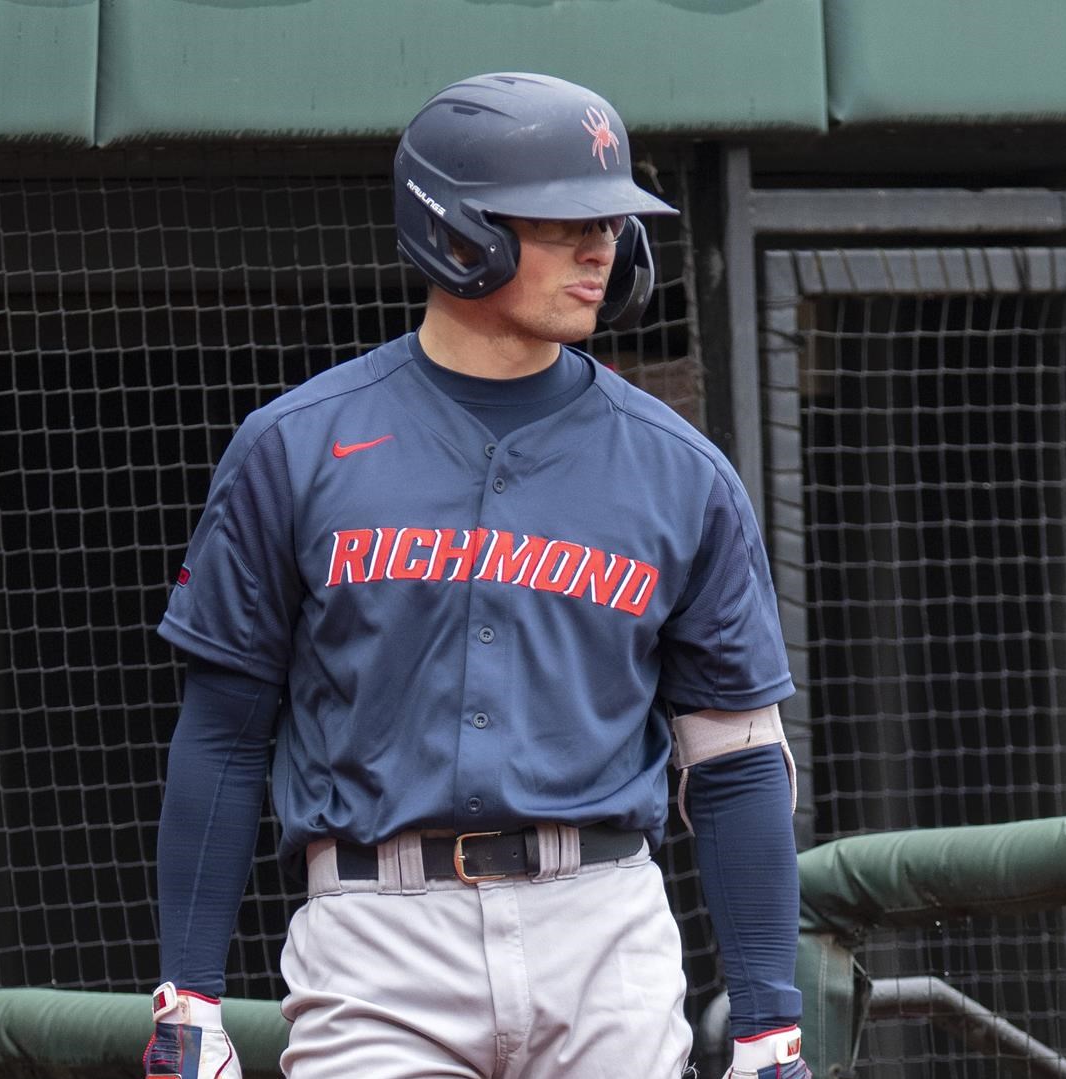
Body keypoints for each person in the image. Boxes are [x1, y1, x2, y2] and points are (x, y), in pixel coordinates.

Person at [142, 72, 811, 1079]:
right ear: (454, 229)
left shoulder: (680, 470)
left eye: (613, 224)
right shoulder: (293, 445)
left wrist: (767, 1020)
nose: (602, 248)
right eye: (562, 223)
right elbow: (224, 736)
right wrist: (188, 997)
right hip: (376, 934)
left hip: (602, 925)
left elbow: (733, 760)